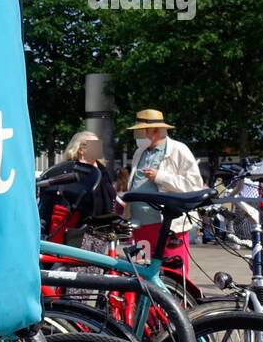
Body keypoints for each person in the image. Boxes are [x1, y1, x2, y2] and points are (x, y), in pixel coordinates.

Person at [124, 109, 204, 277]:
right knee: (141, 272)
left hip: (168, 227)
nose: (137, 135)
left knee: (173, 274)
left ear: (154, 130)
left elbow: (194, 186)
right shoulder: (139, 153)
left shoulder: (179, 150)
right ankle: (144, 304)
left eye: (140, 131)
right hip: (140, 227)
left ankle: (174, 303)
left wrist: (160, 177)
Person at [38, 130, 117, 243]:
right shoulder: (67, 171)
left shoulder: (102, 172)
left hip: (99, 228)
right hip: (73, 227)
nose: (98, 149)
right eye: (94, 145)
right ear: (81, 149)